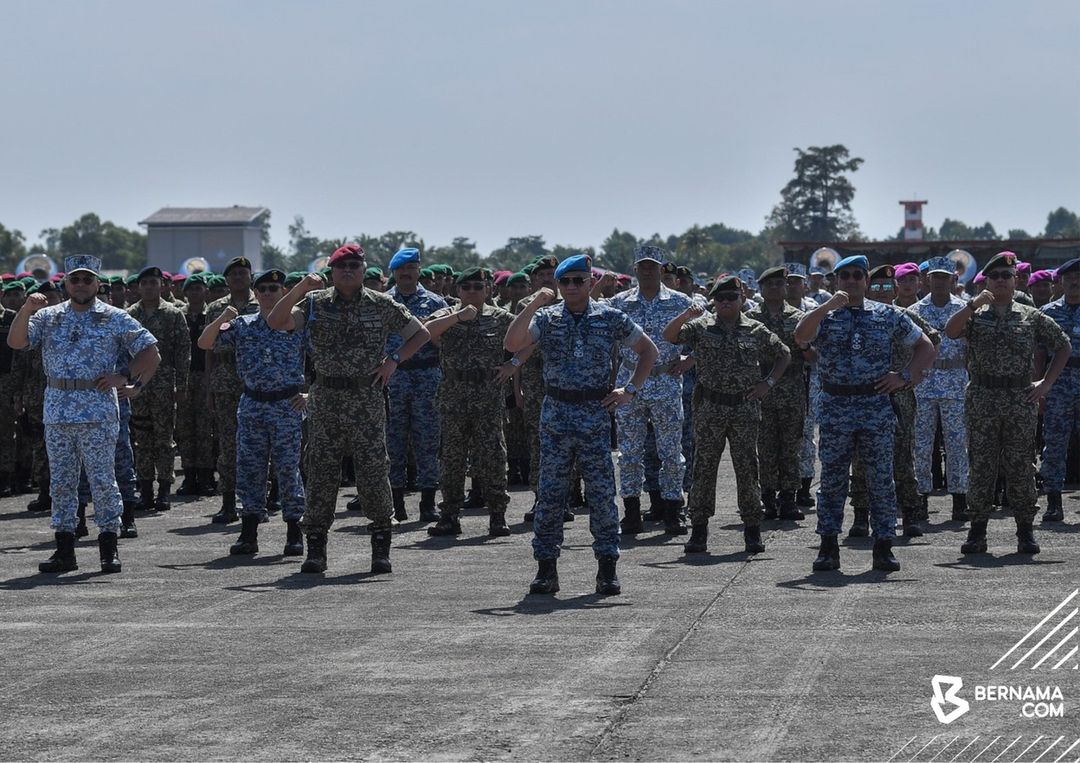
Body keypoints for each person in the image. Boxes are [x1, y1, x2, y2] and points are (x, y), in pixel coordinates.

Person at [267, 244, 431, 574]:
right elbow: (277, 321)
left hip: (366, 398)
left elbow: (420, 334)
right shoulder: (314, 303)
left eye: (354, 266)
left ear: (363, 270)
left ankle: (381, 546)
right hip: (326, 397)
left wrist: (393, 360)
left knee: (373, 471)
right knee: (321, 471)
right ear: (331, 271)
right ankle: (316, 548)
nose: (348, 271)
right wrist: (299, 288)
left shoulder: (381, 304)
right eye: (341, 266)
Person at [505, 254, 657, 596]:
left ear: (590, 282)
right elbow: (512, 344)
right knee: (550, 495)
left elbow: (649, 352)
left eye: (578, 280)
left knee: (601, 495)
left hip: (594, 414)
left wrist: (630, 390)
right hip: (556, 414)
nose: (571, 287)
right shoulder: (547, 318)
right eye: (565, 281)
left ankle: (607, 567)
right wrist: (535, 303)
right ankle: (546, 568)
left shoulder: (610, 317)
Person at [7, 255, 160, 574]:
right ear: (65, 283)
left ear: (97, 283)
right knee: (61, 482)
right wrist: (26, 309)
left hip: (98, 411)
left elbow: (151, 352)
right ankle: (65, 549)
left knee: (103, 480)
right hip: (58, 411)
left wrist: (125, 376)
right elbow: (16, 341)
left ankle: (108, 547)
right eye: (75, 279)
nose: (80, 284)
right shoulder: (48, 316)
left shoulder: (114, 316)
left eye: (87, 279)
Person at [794, 255, 935, 573]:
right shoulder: (825, 315)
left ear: (866, 281)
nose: (851, 281)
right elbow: (801, 336)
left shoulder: (887, 314)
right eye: (845, 276)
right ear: (836, 281)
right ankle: (828, 546)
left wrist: (904, 376)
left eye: (858, 275)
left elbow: (925, 346)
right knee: (832, 480)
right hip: (836, 407)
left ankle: (883, 545)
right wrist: (827, 306)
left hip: (874, 406)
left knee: (881, 480)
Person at [944, 251, 1072, 554]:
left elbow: (1063, 345)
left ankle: (1025, 531)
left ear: (1015, 281)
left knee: (1021, 466)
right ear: (986, 281)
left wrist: (1047, 383)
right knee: (981, 465)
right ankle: (977, 531)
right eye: (995, 276)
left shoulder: (1030, 315)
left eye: (1007, 276)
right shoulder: (975, 314)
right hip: (983, 398)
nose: (1001, 280)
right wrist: (973, 304)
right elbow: (951, 331)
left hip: (1019, 399)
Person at [663, 276, 790, 555]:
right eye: (720, 298)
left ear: (741, 299)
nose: (726, 303)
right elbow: (669, 336)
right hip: (710, 407)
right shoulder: (701, 327)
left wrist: (767, 383)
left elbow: (784, 354)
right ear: (714, 301)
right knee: (703, 469)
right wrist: (686, 315)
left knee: (747, 469)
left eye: (732, 297)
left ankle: (752, 529)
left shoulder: (755, 329)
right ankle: (699, 530)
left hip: (744, 408)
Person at [200, 269, 307, 557]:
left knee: (288, 468)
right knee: (250, 469)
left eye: (275, 288)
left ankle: (294, 530)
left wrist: (311, 394)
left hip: (286, 405)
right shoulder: (243, 325)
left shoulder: (297, 323)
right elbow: (205, 343)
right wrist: (222, 319)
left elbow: (321, 357)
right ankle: (249, 532)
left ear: (284, 292)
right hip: (253, 405)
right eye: (264, 289)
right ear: (256, 294)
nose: (269, 293)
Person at [424, 267, 517, 537]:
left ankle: (497, 514)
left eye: (478, 287)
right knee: (451, 458)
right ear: (458, 290)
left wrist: (513, 364)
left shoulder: (500, 318)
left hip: (488, 397)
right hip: (454, 397)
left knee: (493, 456)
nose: (473, 291)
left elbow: (529, 337)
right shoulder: (447, 314)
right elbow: (426, 332)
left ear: (488, 289)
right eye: (467, 287)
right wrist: (458, 317)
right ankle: (449, 516)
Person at [606, 247, 692, 535]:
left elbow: (707, 332)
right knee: (629, 451)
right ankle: (632, 512)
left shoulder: (680, 302)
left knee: (671, 451)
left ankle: (673, 511)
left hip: (666, 381)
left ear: (661, 269)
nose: (646, 271)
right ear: (634, 269)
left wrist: (690, 359)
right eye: (642, 266)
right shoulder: (620, 303)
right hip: (630, 381)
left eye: (652, 266)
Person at [385, 247, 447, 522]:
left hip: (426, 377)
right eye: (401, 269)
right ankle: (396, 503)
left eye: (411, 268)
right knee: (393, 441)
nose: (406, 273)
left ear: (419, 270)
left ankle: (428, 502)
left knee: (428, 440)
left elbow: (446, 343)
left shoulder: (435, 303)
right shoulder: (384, 302)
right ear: (394, 272)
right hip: (394, 377)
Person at [908, 257, 970, 522]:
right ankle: (921, 497)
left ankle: (960, 499)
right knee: (921, 445)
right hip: (923, 385)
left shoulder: (965, 309)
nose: (940, 282)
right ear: (927, 279)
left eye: (945, 277)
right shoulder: (914, 310)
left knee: (957, 444)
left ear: (954, 280)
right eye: (936, 277)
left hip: (955, 385)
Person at [127, 265, 190, 511]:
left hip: (164, 386)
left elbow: (183, 352)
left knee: (164, 439)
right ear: (138, 287)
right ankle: (145, 491)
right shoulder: (129, 315)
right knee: (142, 440)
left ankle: (164, 490)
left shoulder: (173, 314)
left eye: (154, 283)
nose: (149, 287)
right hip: (137, 387)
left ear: (162, 286)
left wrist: (181, 385)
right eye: (145, 283)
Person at [747, 266, 807, 521]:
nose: (774, 288)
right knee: (765, 448)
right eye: (769, 284)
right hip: (760, 392)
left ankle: (789, 498)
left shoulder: (799, 318)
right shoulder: (750, 318)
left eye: (779, 284)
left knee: (791, 447)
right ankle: (768, 498)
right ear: (760, 289)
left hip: (792, 391)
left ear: (786, 287)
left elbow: (809, 354)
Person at [206, 257, 259, 523]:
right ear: (226, 279)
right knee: (228, 443)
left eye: (242, 273)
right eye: (233, 274)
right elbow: (208, 350)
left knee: (257, 443)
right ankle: (228, 502)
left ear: (250, 276)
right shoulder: (216, 308)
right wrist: (209, 387)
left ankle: (256, 501)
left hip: (256, 382)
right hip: (225, 383)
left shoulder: (262, 304)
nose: (238, 278)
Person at [1035, 258, 1080, 522]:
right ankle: (1053, 501)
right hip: (1057, 382)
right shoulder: (1048, 313)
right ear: (1060, 282)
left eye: (1079, 278)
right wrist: (1039, 386)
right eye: (1069, 278)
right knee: (1054, 443)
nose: (1075, 282)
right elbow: (1039, 353)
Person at [176, 274, 216, 496]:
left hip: (205, 374)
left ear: (205, 291)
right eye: (190, 289)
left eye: (198, 288)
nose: (194, 293)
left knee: (205, 428)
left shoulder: (211, 315)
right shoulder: (179, 315)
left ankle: (206, 476)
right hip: (184, 375)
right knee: (185, 427)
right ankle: (189, 475)